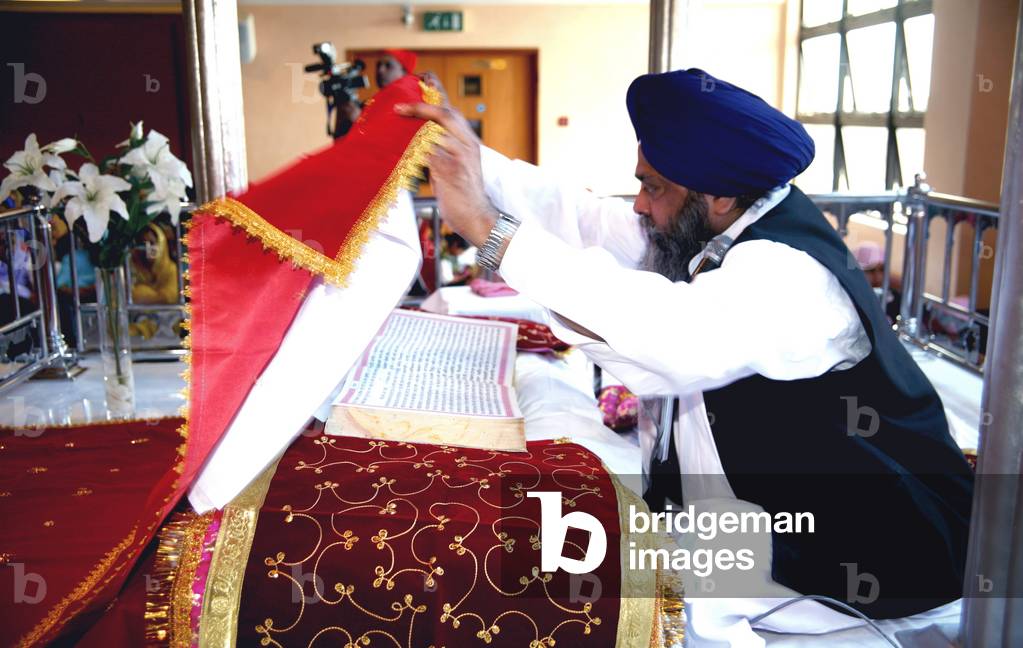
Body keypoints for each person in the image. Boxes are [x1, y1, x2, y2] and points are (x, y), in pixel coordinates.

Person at [396, 68, 974, 623]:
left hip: (865, 549)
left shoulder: (793, 276)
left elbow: (670, 342)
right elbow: (585, 220)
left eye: (652, 186)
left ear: (717, 194)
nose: (639, 205)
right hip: (743, 524)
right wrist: (471, 158)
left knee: (554, 575)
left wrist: (487, 230)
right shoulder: (712, 223)